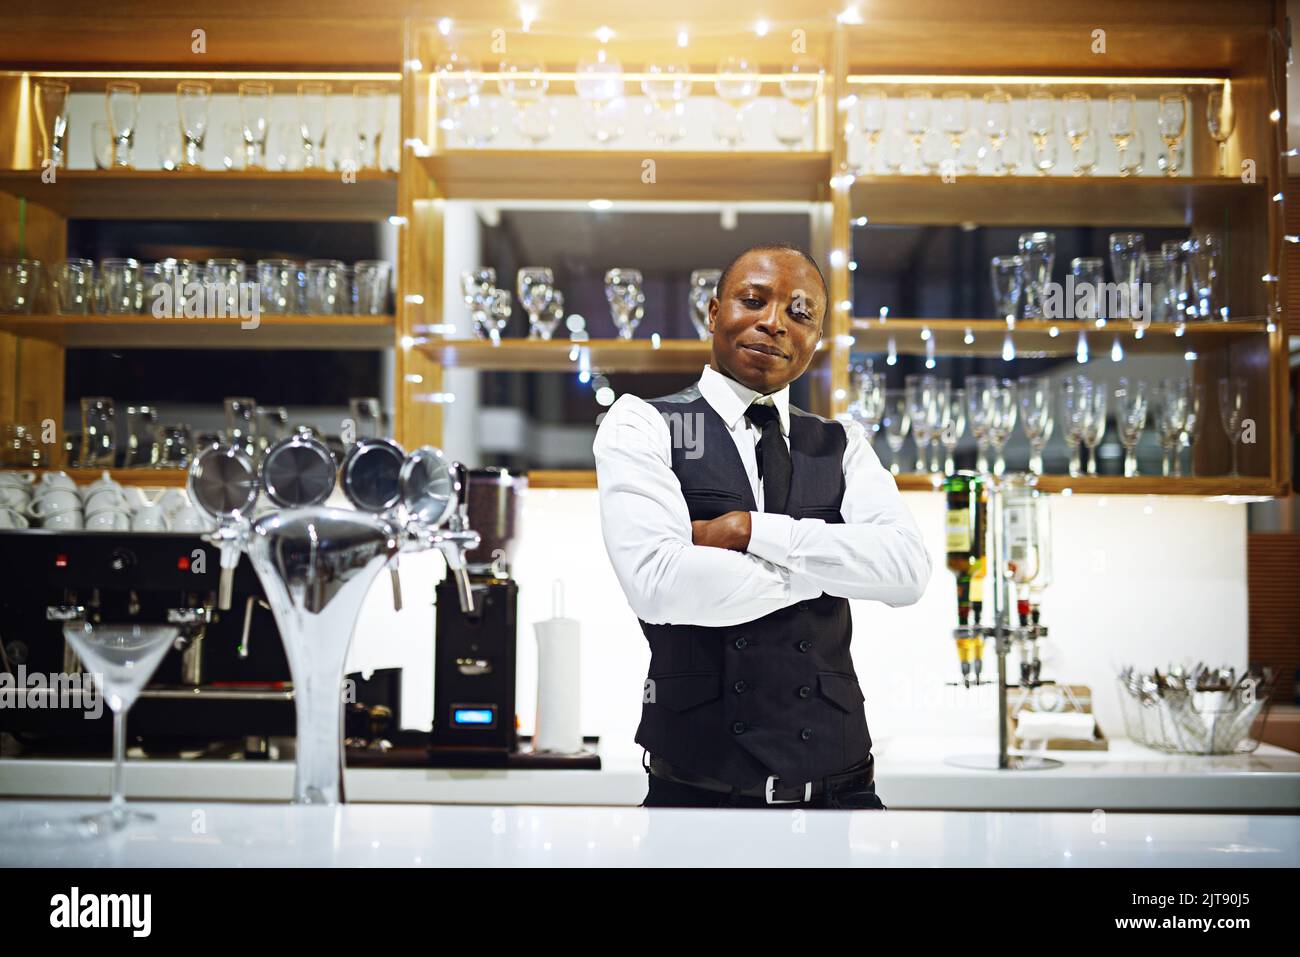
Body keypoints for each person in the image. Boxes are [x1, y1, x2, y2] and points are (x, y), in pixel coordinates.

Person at [593, 242, 932, 809]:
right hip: (698, 795)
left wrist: (751, 532)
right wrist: (833, 569)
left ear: (817, 338)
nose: (773, 322)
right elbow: (659, 585)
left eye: (800, 313)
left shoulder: (841, 442)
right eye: (753, 300)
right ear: (713, 313)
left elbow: (906, 573)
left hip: (841, 788)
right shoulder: (644, 423)